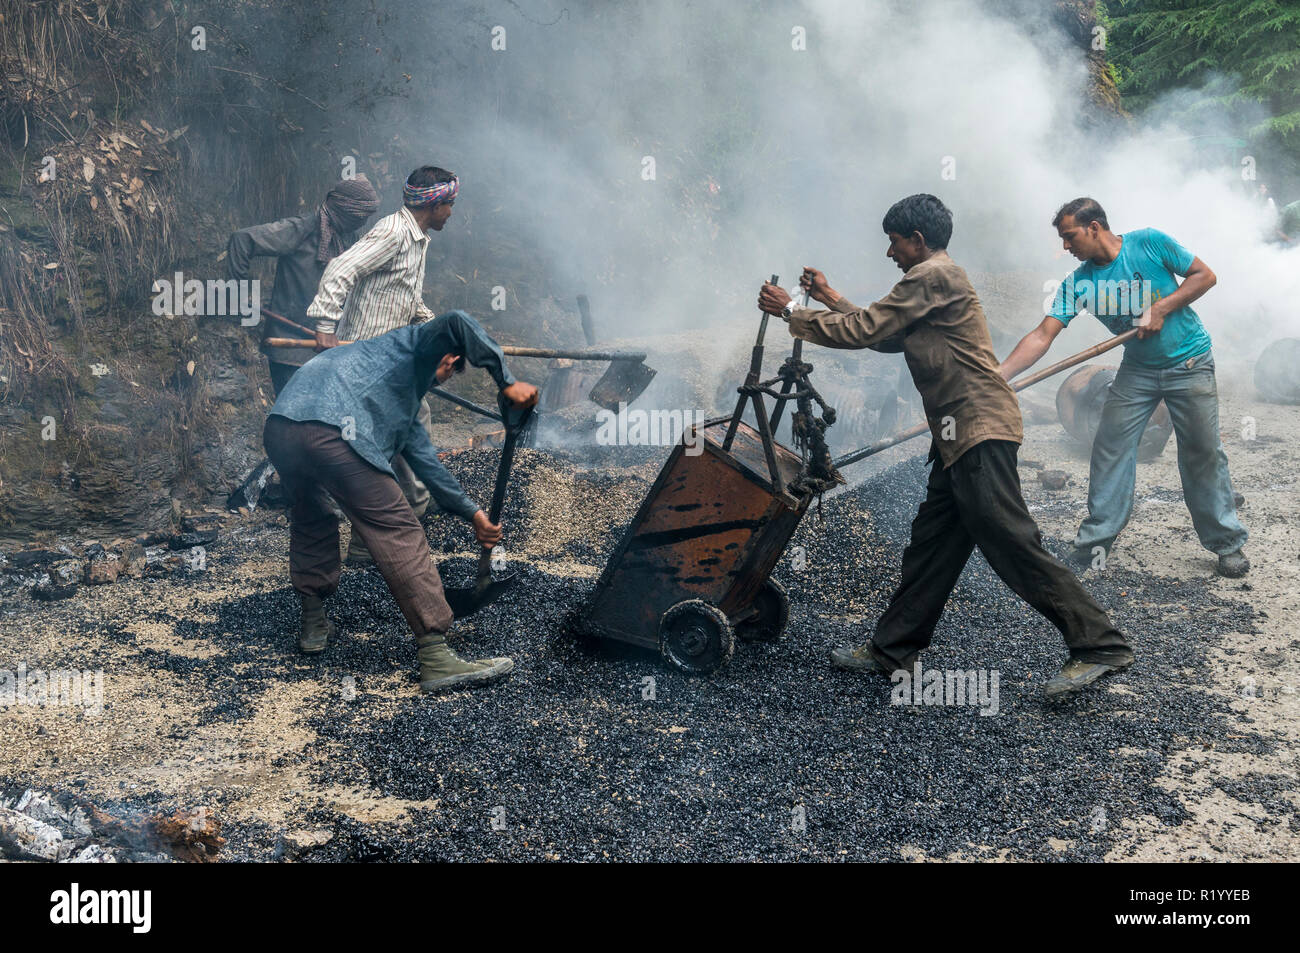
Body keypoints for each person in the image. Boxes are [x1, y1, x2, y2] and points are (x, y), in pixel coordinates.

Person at [757, 194, 1134, 698]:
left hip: (979, 429)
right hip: (957, 435)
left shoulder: (934, 276)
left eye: (893, 243)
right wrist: (828, 298)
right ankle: (893, 649)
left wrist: (792, 313)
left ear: (917, 240)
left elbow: (865, 329)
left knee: (1012, 542)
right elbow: (887, 336)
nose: (890, 254)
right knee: (933, 546)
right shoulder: (930, 282)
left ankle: (1099, 645)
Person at [263, 309, 538, 692]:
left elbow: (427, 463)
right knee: (398, 528)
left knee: (313, 516)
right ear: (449, 359)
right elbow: (457, 320)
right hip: (334, 427)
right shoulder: (413, 346)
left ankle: (313, 624)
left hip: (281, 427)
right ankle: (436, 655)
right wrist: (505, 380)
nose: (439, 380)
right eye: (446, 373)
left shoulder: (390, 388)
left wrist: (472, 514)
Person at [1000, 197, 1249, 577]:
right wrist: (1000, 376)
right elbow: (1042, 334)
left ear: (1094, 227)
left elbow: (1205, 276)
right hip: (1137, 370)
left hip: (1190, 361)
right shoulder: (1080, 282)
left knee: (1202, 452)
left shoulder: (1149, 242)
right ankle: (1095, 540)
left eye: (1069, 237)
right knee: (1110, 445)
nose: (1065, 247)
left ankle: (1227, 543)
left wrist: (1161, 308)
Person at [306, 165, 460, 565]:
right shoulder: (393, 232)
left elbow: (407, 296)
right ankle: (363, 547)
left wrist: (435, 332)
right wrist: (325, 323)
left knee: (416, 427)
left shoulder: (417, 238)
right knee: (379, 452)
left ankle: (419, 504)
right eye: (450, 205)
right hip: (368, 361)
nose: (452, 213)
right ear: (434, 203)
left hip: (396, 359)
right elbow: (342, 268)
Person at [226, 176, 380, 395]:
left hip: (329, 347)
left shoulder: (349, 236)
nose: (364, 222)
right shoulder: (302, 229)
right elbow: (242, 239)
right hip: (291, 348)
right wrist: (237, 291)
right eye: (361, 216)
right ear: (346, 210)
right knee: (292, 420)